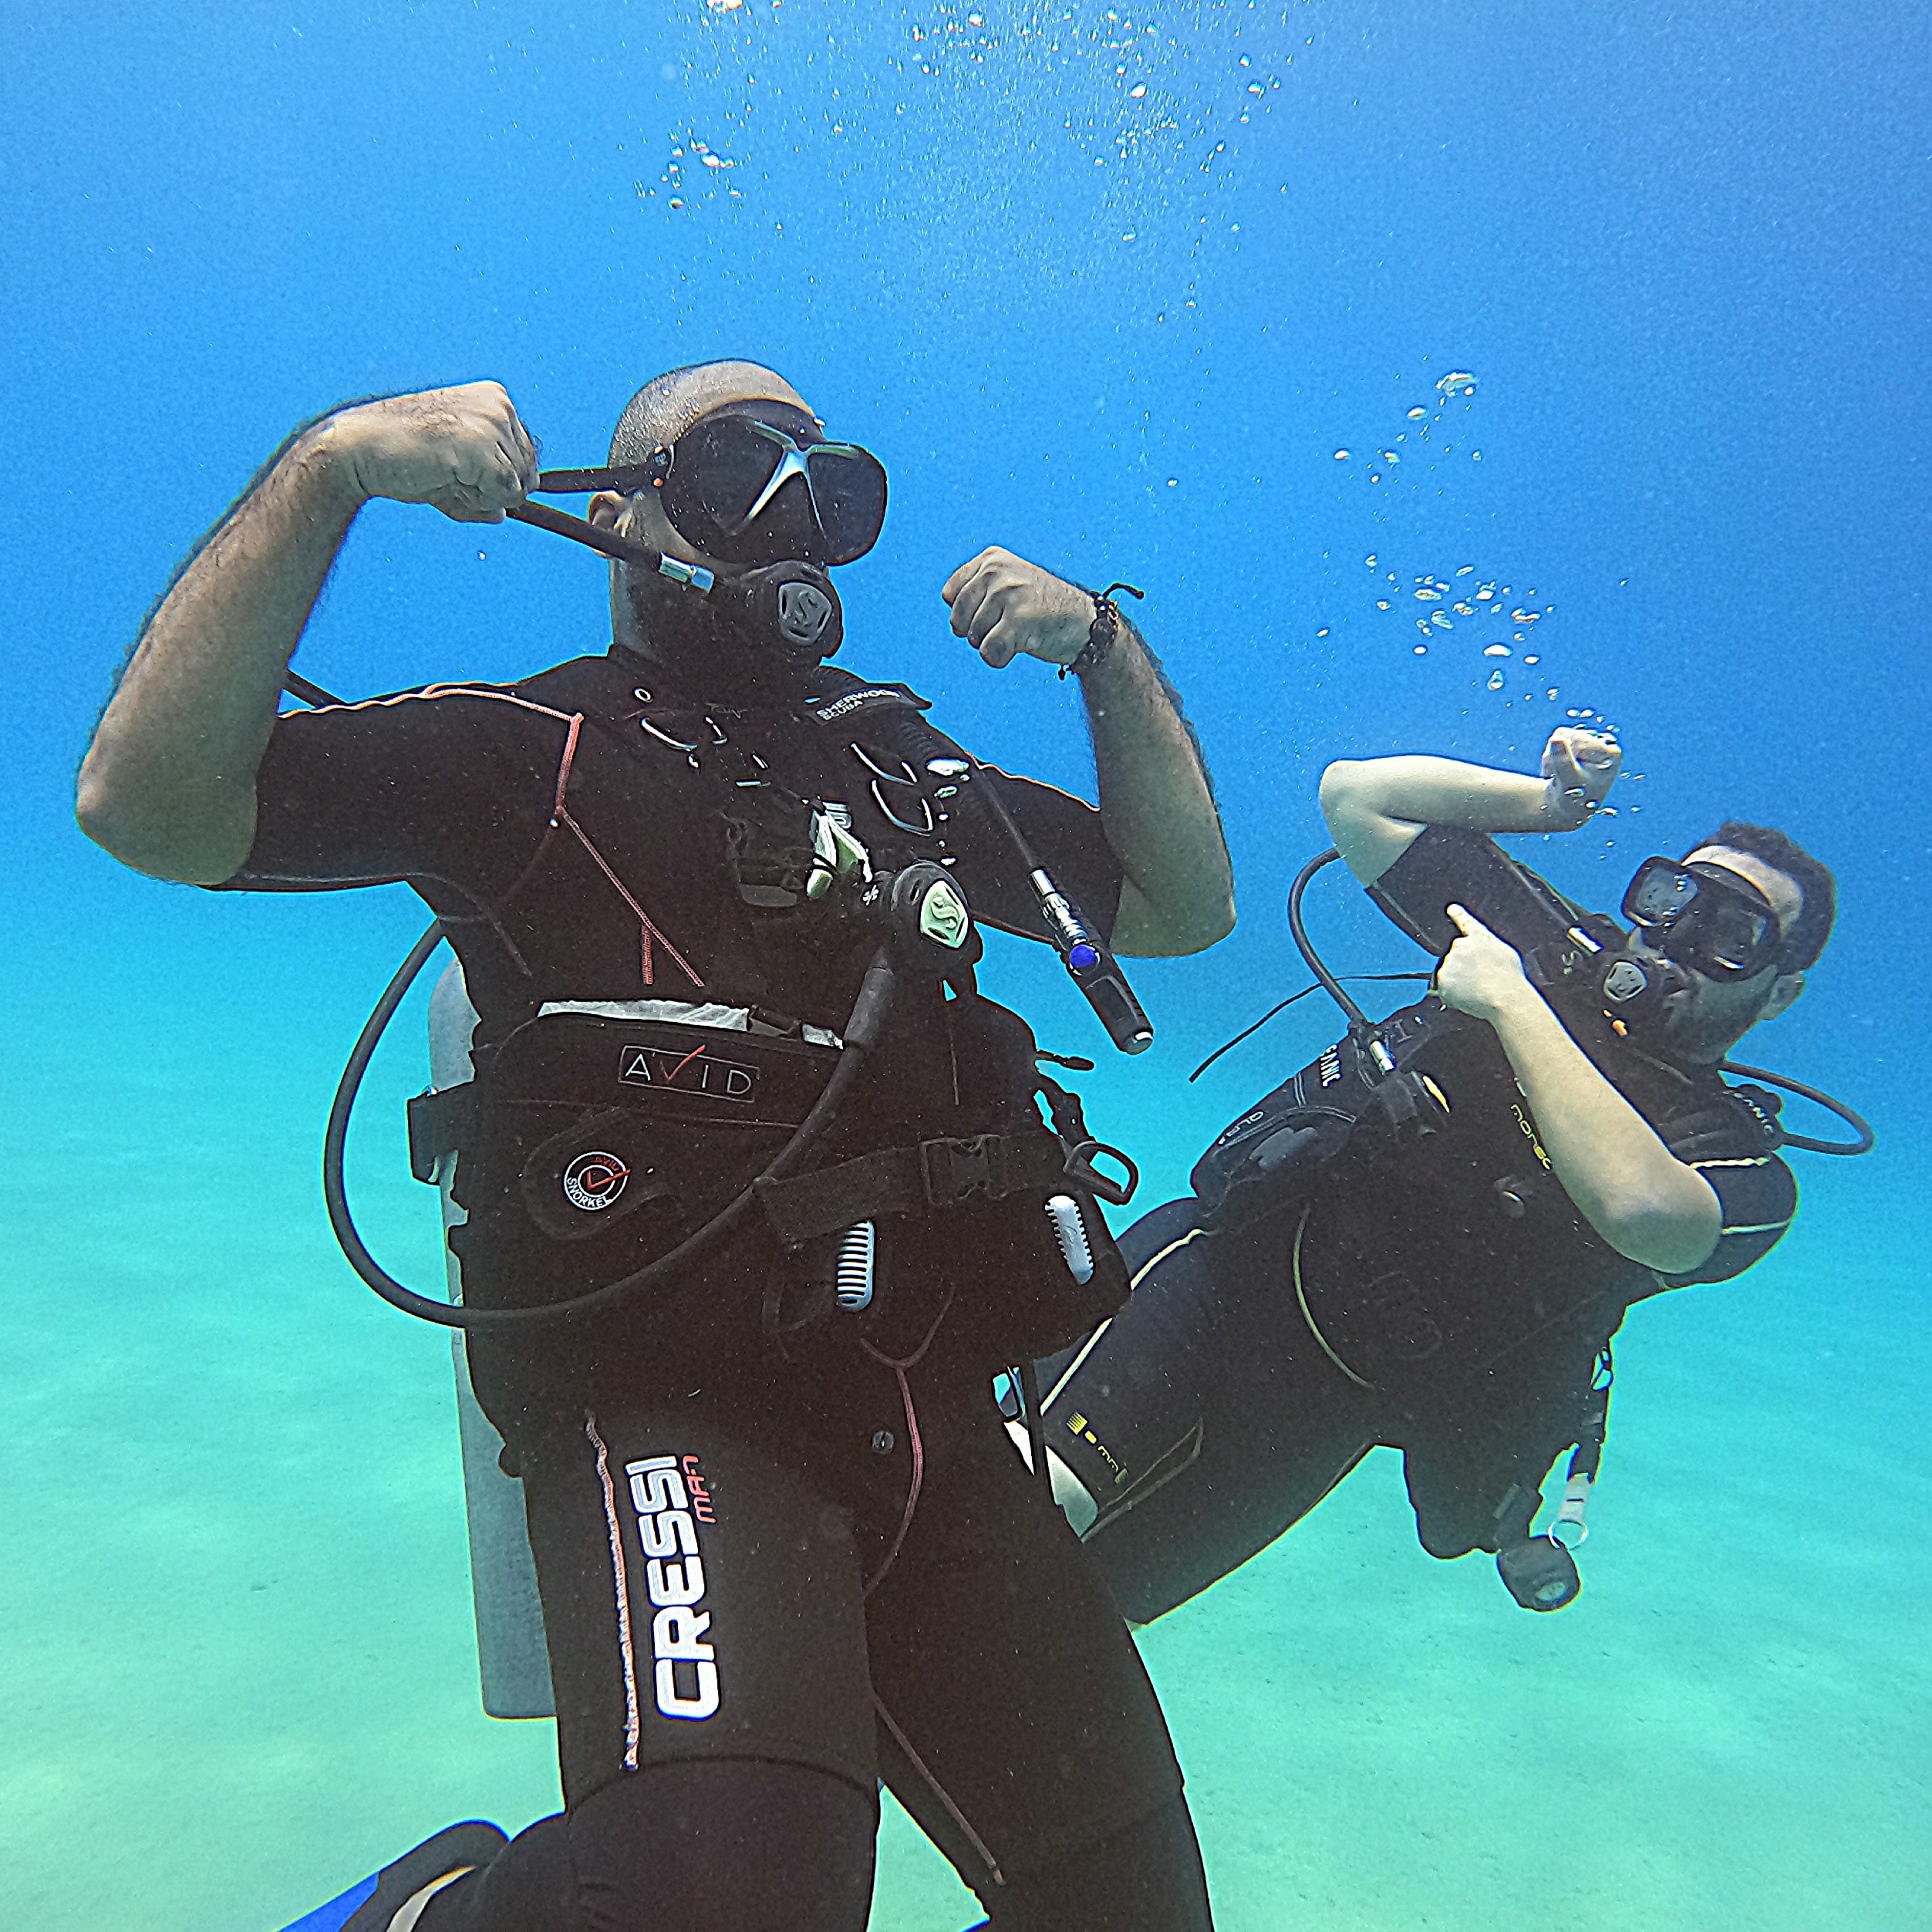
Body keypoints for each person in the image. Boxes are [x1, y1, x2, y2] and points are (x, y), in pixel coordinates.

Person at [76, 364, 1235, 1932]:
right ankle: (438, 1910)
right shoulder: (527, 749)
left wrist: (1098, 646)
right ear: (612, 512)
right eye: (735, 466)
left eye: (827, 488)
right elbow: (145, 805)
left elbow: (1179, 910)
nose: (789, 520)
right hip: (672, 1417)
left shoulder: (910, 771)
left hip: (930, 1420)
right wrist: (331, 471)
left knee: (1133, 1909)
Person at [1033, 727, 1833, 1620]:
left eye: (1731, 933)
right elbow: (1359, 797)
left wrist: (1513, 1002)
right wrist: (1548, 808)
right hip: (1230, 1273)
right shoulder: (1556, 952)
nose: (1676, 939)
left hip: (1333, 1406)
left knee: (1076, 1615)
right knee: (1025, 1514)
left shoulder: (1736, 1162)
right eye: (1673, 898)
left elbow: (1644, 1211)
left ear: (1779, 991)